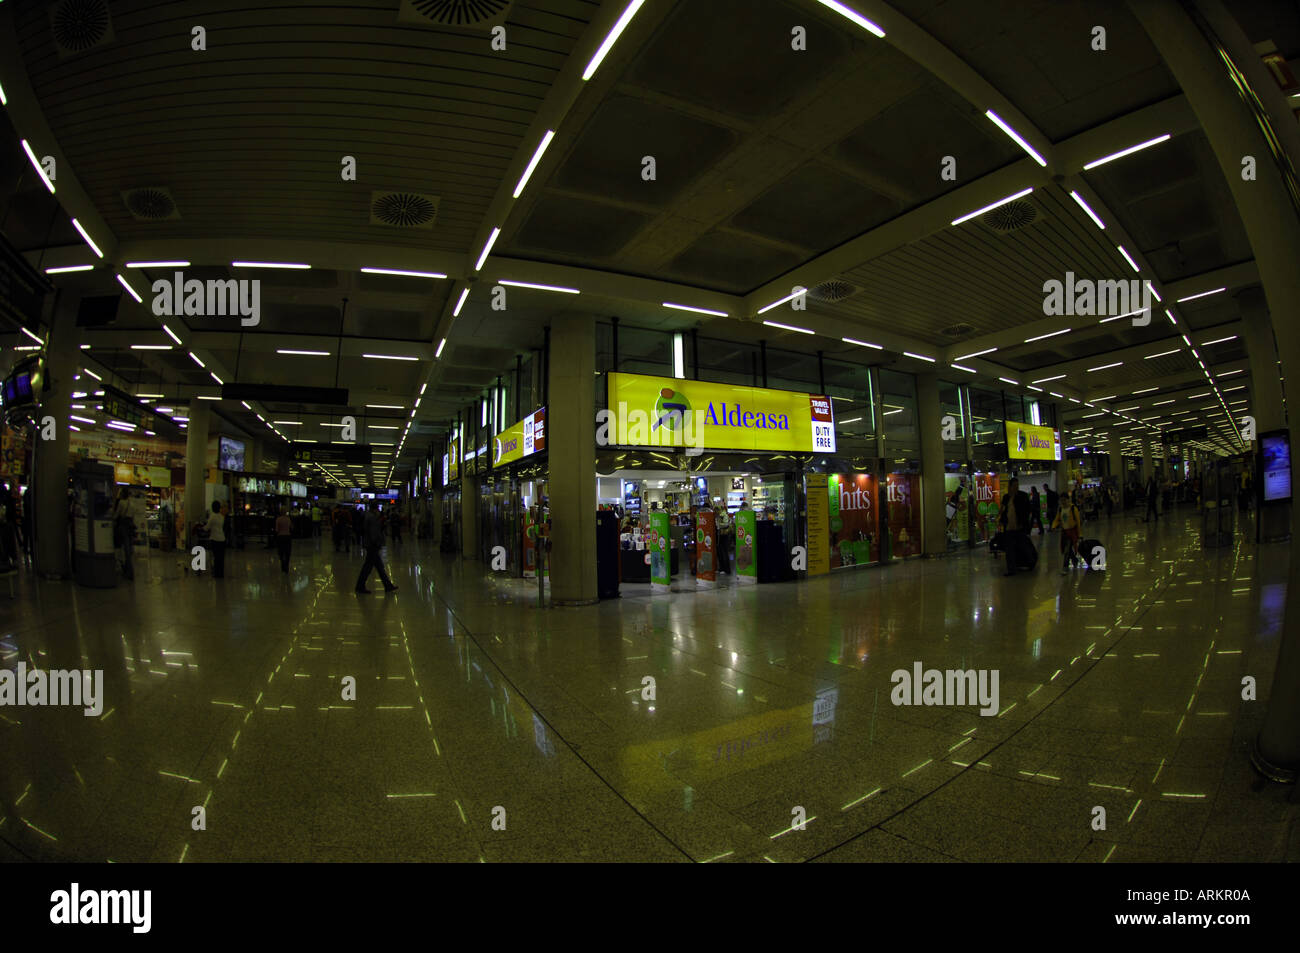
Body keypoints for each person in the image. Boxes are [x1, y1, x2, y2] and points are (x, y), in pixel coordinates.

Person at [355, 502, 397, 594]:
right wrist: (377, 543)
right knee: (368, 567)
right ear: (375, 509)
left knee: (379, 567)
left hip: (370, 544)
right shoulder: (372, 518)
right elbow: (374, 533)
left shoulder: (368, 516)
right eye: (378, 509)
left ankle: (388, 585)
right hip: (372, 545)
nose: (378, 510)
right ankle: (360, 586)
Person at [998, 477, 1031, 576]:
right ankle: (1011, 569)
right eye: (1014, 486)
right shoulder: (1006, 497)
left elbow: (1027, 510)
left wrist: (1024, 523)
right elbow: (1003, 509)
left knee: (1023, 546)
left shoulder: (1023, 496)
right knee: (1009, 549)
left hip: (1019, 527)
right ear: (1010, 486)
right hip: (1009, 527)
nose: (1016, 488)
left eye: (1017, 486)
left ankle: (1027, 563)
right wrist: (1000, 519)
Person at [1052, 490, 1083, 573]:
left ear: (1068, 499)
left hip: (1072, 532)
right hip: (1064, 532)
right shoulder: (1060, 509)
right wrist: (1054, 526)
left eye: (1064, 500)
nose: (1063, 502)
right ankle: (1074, 560)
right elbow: (1057, 519)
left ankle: (1065, 567)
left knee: (1067, 550)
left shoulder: (1073, 508)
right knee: (1068, 549)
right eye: (1061, 500)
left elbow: (1078, 522)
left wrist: (1080, 534)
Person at [113, 488, 137, 580]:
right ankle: (128, 570)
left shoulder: (121, 503)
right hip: (130, 527)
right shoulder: (133, 504)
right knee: (128, 549)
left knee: (121, 548)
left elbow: (116, 515)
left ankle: (127, 570)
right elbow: (133, 517)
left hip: (123, 526)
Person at [202, 500, 227, 578]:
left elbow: (207, 528)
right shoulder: (222, 516)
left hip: (215, 539)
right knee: (221, 558)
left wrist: (202, 527)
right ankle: (221, 573)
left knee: (216, 557)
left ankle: (216, 574)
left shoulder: (212, 517)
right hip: (222, 539)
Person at [275, 506, 292, 573]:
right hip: (287, 536)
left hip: (280, 537)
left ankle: (283, 565)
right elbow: (291, 527)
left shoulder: (278, 519)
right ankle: (287, 566)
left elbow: (276, 529)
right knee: (287, 552)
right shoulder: (288, 519)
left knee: (281, 552)